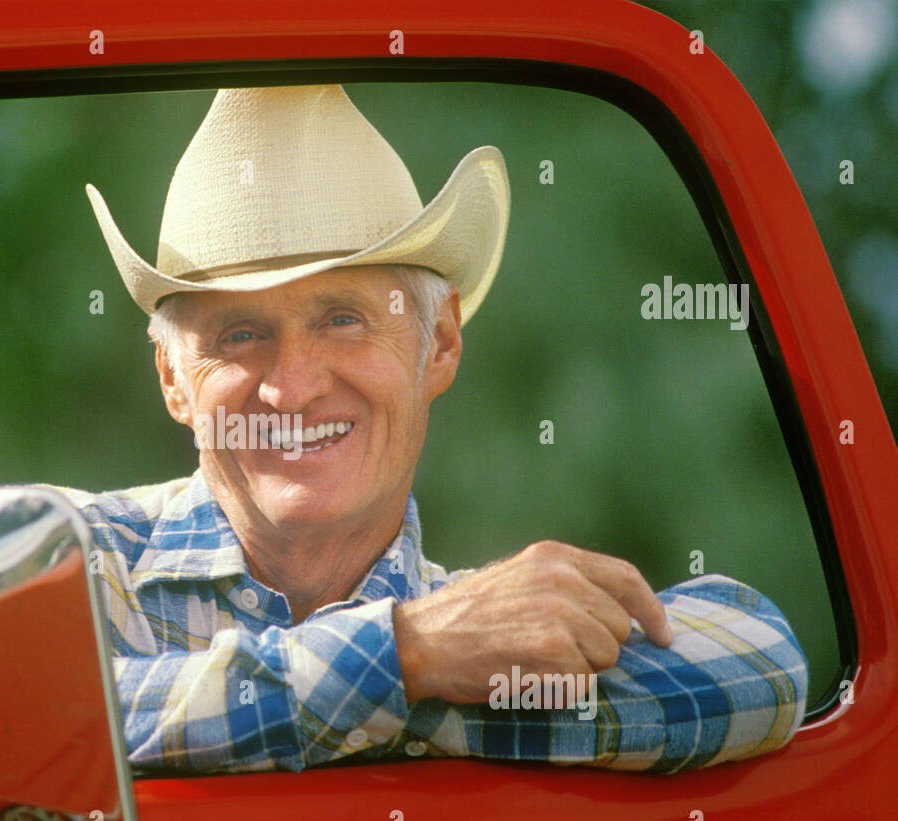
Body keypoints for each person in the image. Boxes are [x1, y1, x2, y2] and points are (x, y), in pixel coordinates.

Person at [46, 84, 806, 774]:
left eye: (343, 320)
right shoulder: (64, 552)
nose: (292, 387)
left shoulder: (492, 627)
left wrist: (400, 670)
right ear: (174, 378)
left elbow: (761, 660)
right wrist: (405, 658)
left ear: (438, 343)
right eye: (240, 334)